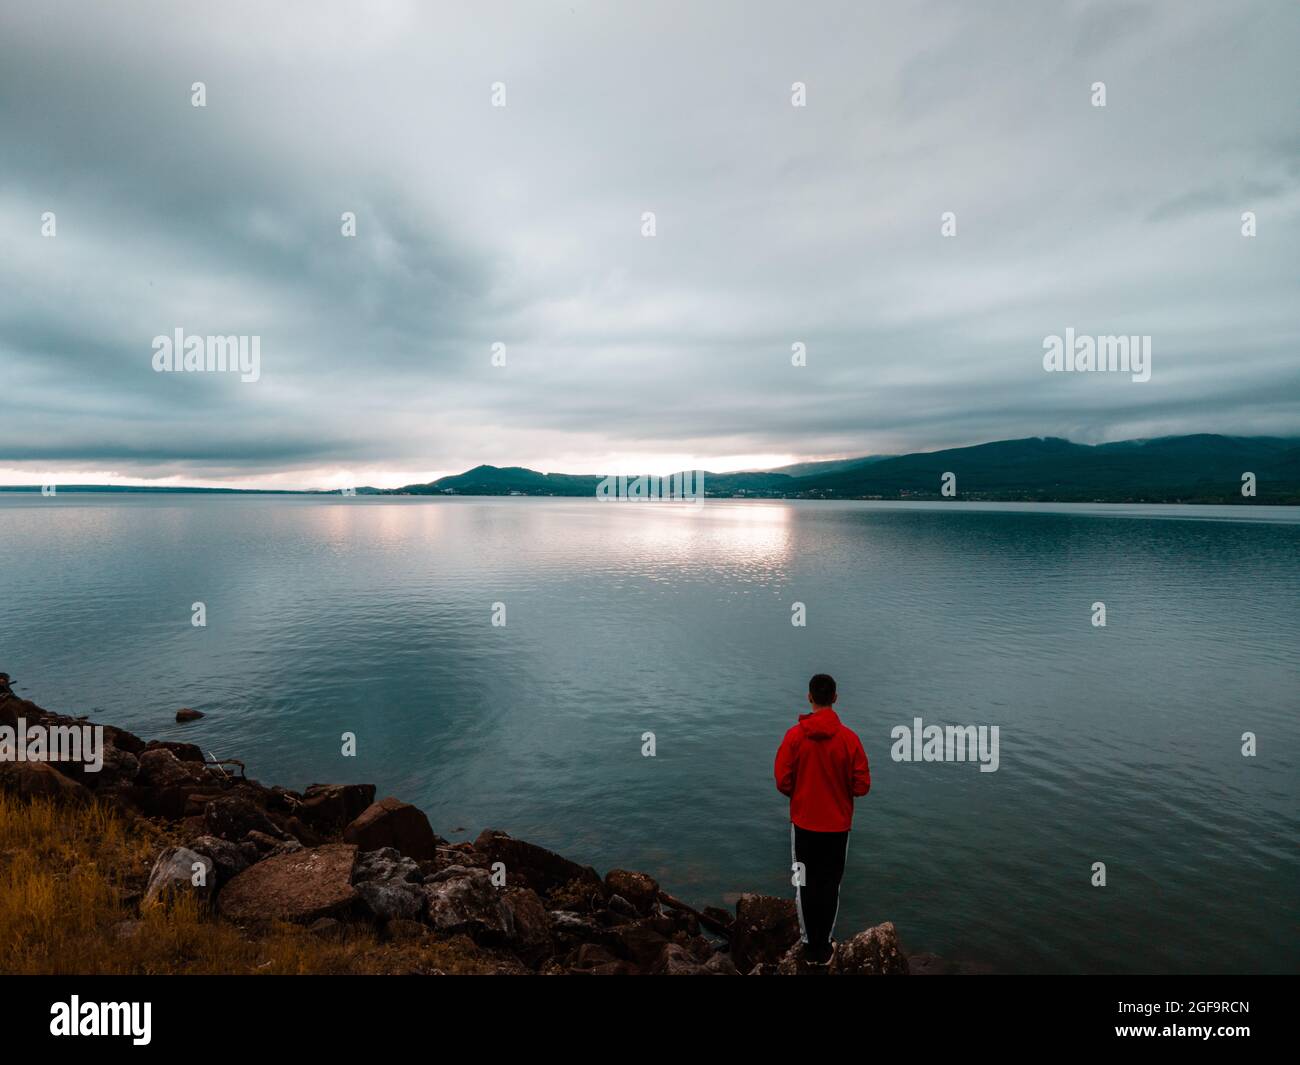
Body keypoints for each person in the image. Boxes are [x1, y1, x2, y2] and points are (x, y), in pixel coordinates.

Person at [773, 673, 870, 964]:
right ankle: (824, 947)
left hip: (803, 822)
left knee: (804, 882)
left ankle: (808, 943)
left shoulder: (794, 736)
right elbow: (862, 786)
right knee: (830, 884)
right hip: (837, 826)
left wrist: (801, 792)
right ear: (835, 699)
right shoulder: (850, 740)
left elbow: (782, 780)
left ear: (809, 697)